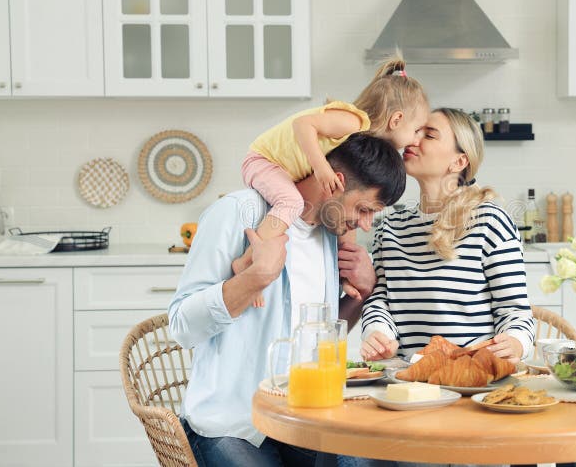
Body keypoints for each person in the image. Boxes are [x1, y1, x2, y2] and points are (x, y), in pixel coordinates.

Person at [168, 134, 407, 467]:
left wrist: (361, 294)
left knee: (376, 460)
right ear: (335, 183)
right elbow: (181, 327)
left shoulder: (327, 235)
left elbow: (319, 334)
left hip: (302, 420)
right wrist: (253, 278)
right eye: (364, 209)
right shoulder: (238, 213)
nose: (365, 224)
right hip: (232, 423)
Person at [234, 55, 430, 305]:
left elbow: (346, 229)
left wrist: (345, 277)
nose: (415, 141)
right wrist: (321, 167)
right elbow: (302, 124)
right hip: (264, 160)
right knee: (291, 202)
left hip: (278, 169)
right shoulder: (353, 121)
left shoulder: (354, 149)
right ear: (397, 119)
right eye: (416, 131)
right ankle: (248, 263)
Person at [360, 108, 535, 365]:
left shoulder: (489, 222)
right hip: (408, 382)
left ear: (459, 162)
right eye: (416, 132)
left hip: (472, 379)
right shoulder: (391, 226)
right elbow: (381, 299)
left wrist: (516, 341)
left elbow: (515, 312)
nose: (412, 140)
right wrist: (378, 333)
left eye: (429, 135)